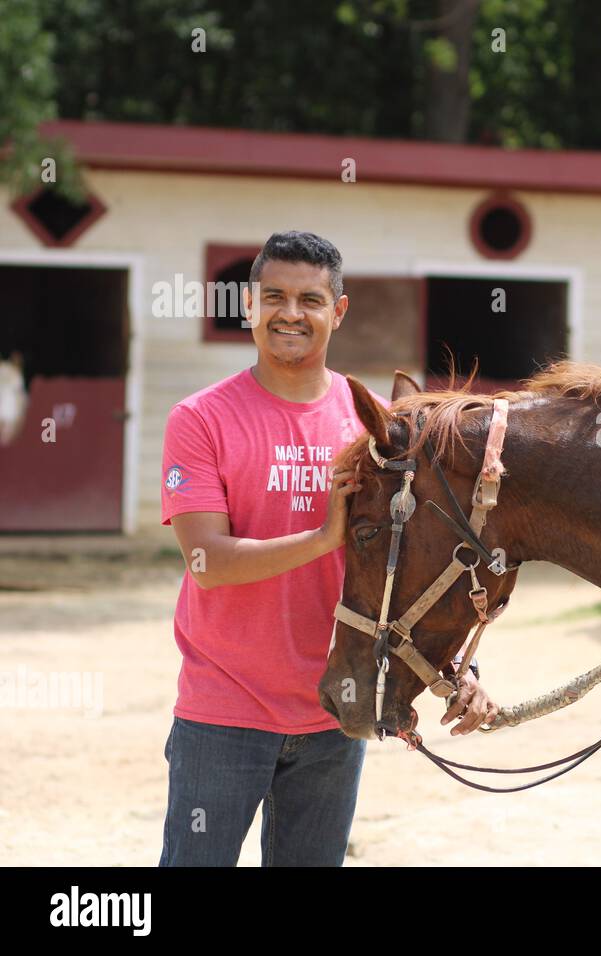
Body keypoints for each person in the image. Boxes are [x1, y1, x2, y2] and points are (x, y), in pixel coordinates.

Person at [158, 231, 497, 866]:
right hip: (223, 712)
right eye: (275, 297)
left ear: (337, 312)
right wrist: (323, 539)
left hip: (336, 709)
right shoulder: (200, 419)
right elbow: (207, 563)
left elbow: (415, 568)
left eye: (311, 300)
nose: (291, 313)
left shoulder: (374, 420)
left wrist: (458, 668)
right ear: (249, 306)